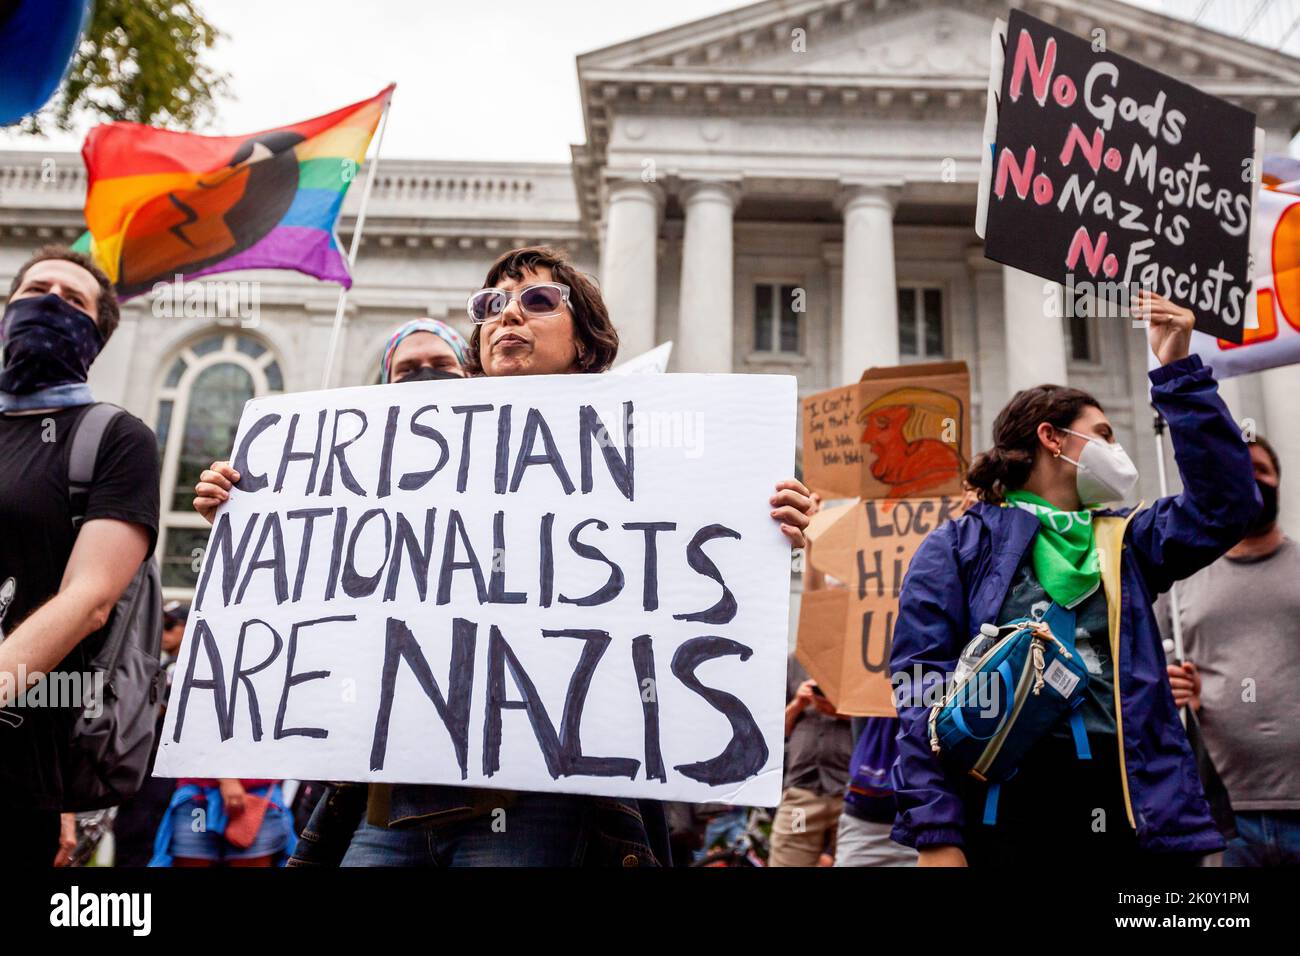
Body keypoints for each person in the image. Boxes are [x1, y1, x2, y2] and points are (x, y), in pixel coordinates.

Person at [194, 245, 815, 866]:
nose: (508, 315)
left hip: (537, 802)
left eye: (538, 300)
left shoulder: (643, 452)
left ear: (587, 342)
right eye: (491, 306)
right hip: (394, 796)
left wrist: (769, 530)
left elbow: (688, 563)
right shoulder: (406, 460)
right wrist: (249, 510)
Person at [890, 290, 1261, 867]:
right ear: (1052, 438)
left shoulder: (1128, 538)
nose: (1117, 448)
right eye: (1105, 433)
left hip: (1127, 805)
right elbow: (920, 687)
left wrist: (1177, 372)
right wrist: (937, 834)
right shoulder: (957, 545)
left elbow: (1227, 505)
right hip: (1006, 807)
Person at [0, 246, 160, 867]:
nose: (49, 303)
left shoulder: (114, 438)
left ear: (95, 337)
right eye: (34, 290)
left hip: (20, 770)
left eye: (72, 301)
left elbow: (89, 599)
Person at [1159, 434, 1300, 866]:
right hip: (1221, 813)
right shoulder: (1178, 580)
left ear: (1280, 479)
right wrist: (1174, 690)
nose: (1254, 480)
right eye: (1243, 470)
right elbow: (1148, 681)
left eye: (1262, 470)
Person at [110, 600, 187, 866]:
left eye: (169, 626)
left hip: (159, 768)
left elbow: (151, 711)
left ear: (187, 628)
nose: (163, 633)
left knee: (141, 836)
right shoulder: (166, 665)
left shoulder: (181, 667)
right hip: (148, 765)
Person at [768, 654, 852, 867]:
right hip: (802, 799)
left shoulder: (863, 662)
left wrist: (843, 711)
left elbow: (882, 722)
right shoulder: (794, 662)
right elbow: (773, 732)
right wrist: (798, 703)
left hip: (851, 797)